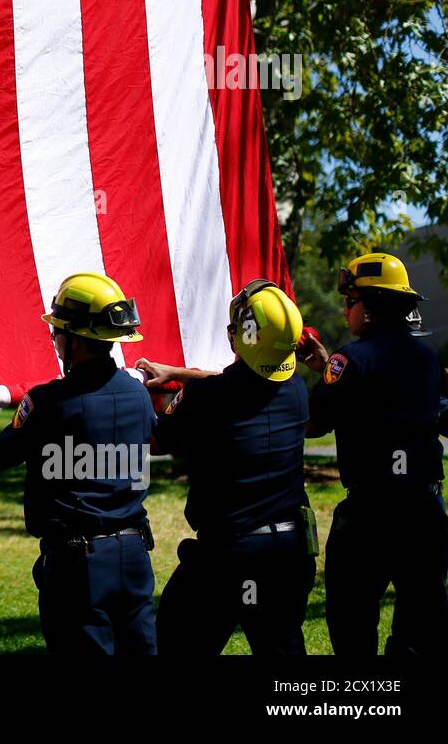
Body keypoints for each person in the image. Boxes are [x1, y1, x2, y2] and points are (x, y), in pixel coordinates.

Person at [139, 279, 316, 655]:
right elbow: (238, 384)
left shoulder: (206, 398)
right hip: (289, 552)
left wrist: (129, 396)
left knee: (175, 645)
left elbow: (155, 441)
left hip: (228, 557)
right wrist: (180, 373)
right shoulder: (296, 389)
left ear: (243, 337)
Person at [0, 272, 156, 655]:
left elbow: (2, 456)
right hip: (133, 556)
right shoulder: (137, 394)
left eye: (57, 333)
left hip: (78, 565)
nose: (56, 342)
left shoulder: (49, 401)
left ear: (76, 340)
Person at [300, 252, 448, 655]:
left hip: (370, 519)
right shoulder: (428, 359)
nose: (346, 308)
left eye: (351, 300)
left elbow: (314, 423)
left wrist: (322, 370)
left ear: (372, 307)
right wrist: (328, 369)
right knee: (423, 626)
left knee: (352, 626)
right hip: (425, 512)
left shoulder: (350, 360)